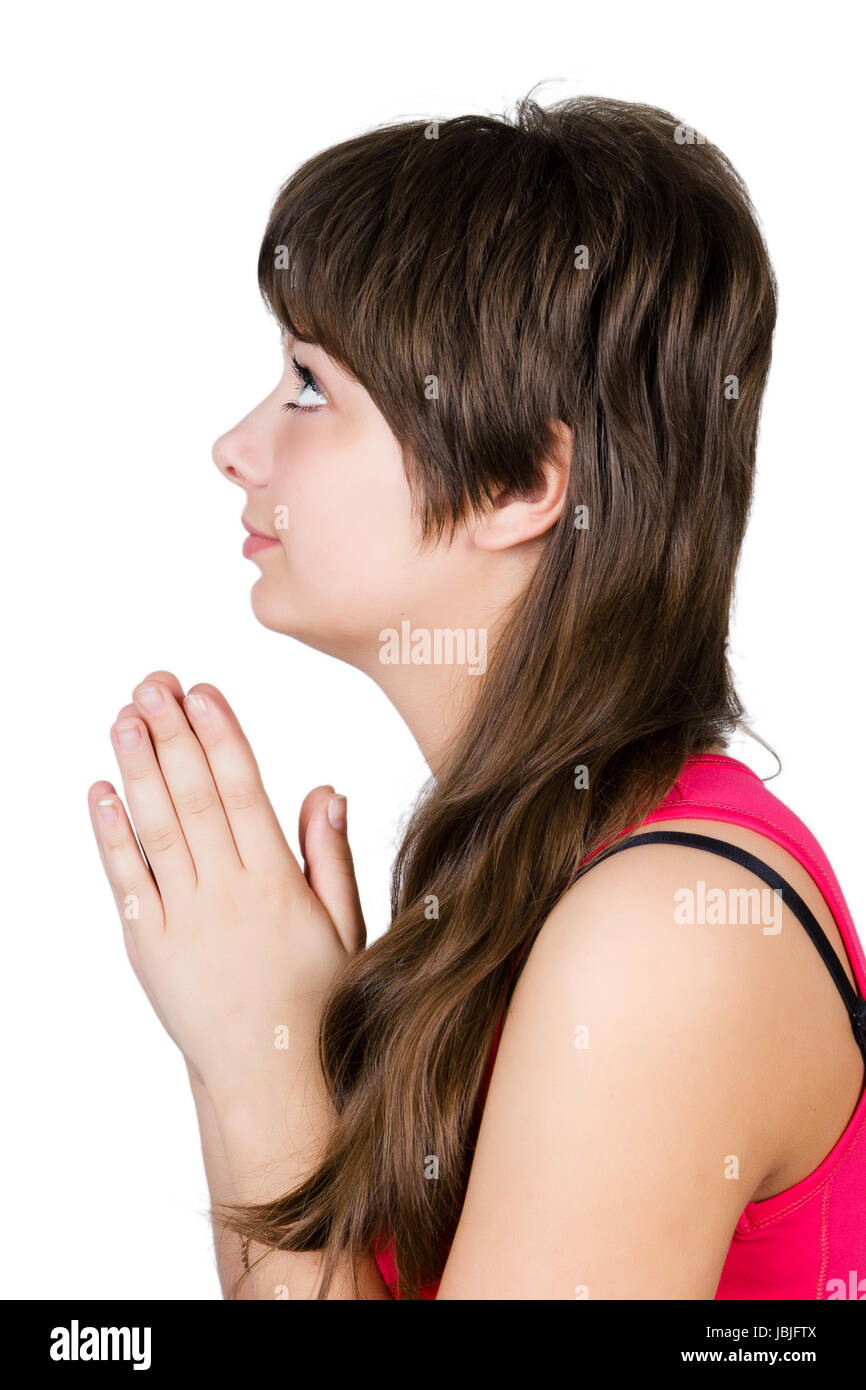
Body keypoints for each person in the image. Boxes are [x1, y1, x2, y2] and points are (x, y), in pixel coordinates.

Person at [87, 93, 866, 1300]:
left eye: (306, 386)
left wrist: (255, 1057)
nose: (235, 447)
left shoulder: (663, 933)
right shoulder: (522, 882)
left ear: (521, 480)